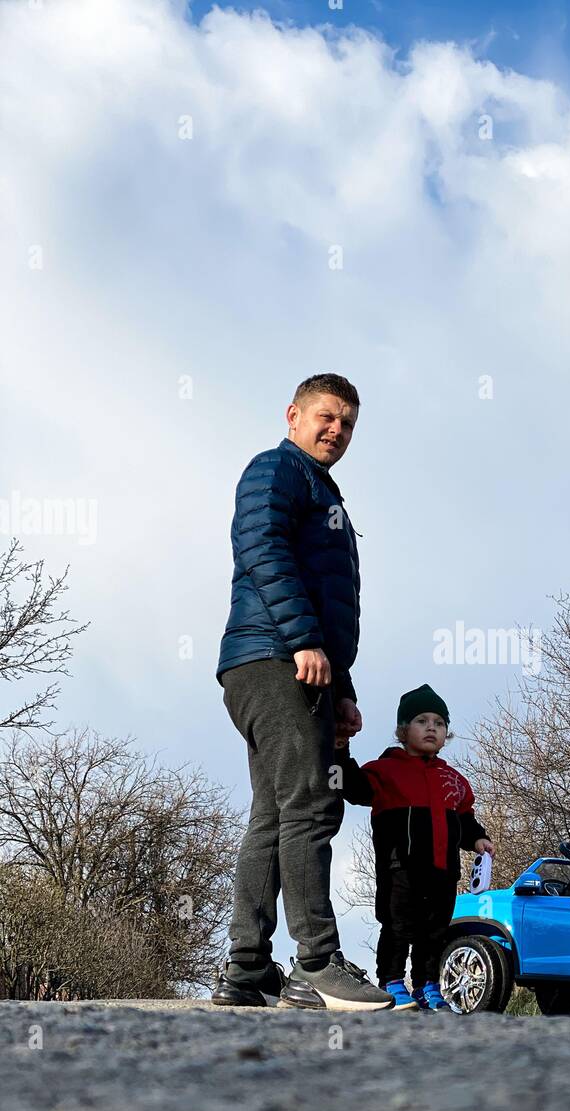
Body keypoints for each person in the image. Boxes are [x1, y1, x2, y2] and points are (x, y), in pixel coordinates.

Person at [212, 373, 392, 1012]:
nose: (336, 431)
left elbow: (327, 597)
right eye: (326, 416)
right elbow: (262, 548)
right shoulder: (275, 470)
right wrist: (304, 644)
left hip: (291, 664)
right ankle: (315, 964)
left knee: (277, 812)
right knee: (314, 804)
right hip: (273, 660)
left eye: (347, 423)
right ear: (293, 415)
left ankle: (246, 971)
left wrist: (341, 688)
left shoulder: (322, 490)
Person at [335, 685, 494, 1012]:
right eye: (422, 720)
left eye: (439, 722)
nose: (432, 727)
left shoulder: (455, 780)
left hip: (443, 872)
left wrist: (477, 838)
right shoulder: (384, 771)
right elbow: (350, 788)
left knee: (434, 932)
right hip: (400, 869)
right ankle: (391, 982)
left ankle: (427, 985)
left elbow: (464, 818)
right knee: (396, 925)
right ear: (403, 730)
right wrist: (339, 749)